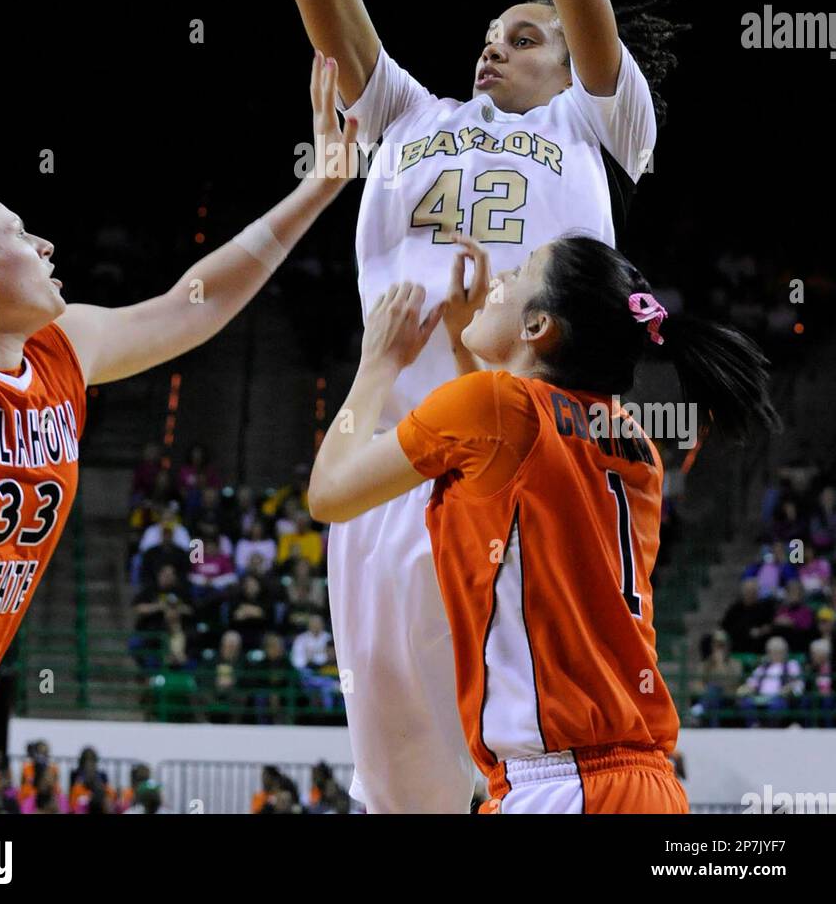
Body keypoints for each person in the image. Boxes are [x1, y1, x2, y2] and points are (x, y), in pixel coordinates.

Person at [274, 0, 685, 813]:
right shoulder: (399, 110)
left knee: (563, 760)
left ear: (571, 59)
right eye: (489, 33)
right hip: (392, 475)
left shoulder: (593, 124)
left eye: (523, 33)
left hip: (528, 472)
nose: (492, 44)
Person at [0, 54, 357, 813]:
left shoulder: (64, 353)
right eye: (22, 235)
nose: (47, 245)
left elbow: (193, 305)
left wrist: (318, 186)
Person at [309, 232, 778, 812]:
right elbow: (501, 454)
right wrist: (464, 340)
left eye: (518, 273)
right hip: (646, 784)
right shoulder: (634, 442)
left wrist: (376, 363)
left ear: (538, 328)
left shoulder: (497, 410)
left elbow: (329, 495)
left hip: (562, 786)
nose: (497, 282)